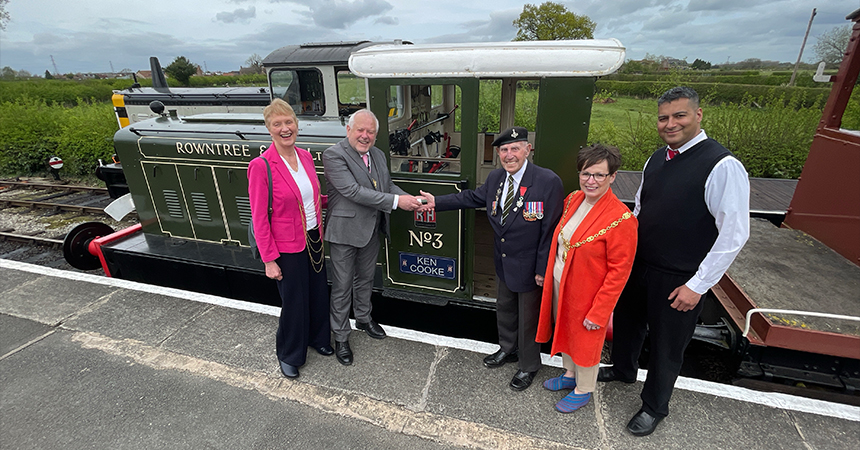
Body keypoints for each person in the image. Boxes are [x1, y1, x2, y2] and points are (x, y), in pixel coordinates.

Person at [599, 87, 750, 436]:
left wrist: (698, 286)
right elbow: (640, 210)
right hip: (640, 265)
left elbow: (734, 235)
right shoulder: (656, 159)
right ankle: (623, 370)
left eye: (679, 116)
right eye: (664, 117)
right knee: (627, 324)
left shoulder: (722, 165)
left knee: (667, 346)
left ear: (698, 115)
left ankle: (654, 406)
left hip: (679, 276)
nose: (670, 124)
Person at [420, 127, 564, 391]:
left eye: (514, 149)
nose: (509, 155)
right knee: (506, 309)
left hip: (531, 265)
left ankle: (528, 365)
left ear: (527, 150)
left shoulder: (547, 181)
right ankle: (508, 349)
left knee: (528, 318)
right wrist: (437, 202)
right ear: (498, 154)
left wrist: (542, 268)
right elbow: (473, 198)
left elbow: (550, 231)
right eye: (504, 150)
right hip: (503, 259)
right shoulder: (497, 177)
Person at [535, 144, 637, 412]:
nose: (590, 181)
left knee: (586, 340)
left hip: (589, 293)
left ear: (612, 177)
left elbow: (620, 271)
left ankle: (584, 388)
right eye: (585, 173)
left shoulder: (621, 219)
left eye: (599, 175)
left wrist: (600, 311)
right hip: (561, 283)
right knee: (565, 330)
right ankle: (569, 375)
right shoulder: (573, 199)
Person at [323, 109, 424, 366]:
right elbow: (353, 191)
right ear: (349, 130)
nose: (365, 136)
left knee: (366, 278)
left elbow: (387, 185)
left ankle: (364, 318)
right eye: (360, 130)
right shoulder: (334, 155)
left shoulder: (378, 155)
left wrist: (409, 199)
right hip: (345, 232)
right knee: (342, 286)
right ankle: (341, 336)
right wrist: (396, 202)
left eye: (370, 132)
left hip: (371, 227)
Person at [247, 98, 333, 379]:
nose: (285, 128)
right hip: (287, 246)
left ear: (297, 125)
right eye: (278, 124)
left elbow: (311, 198)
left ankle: (318, 339)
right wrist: (269, 259)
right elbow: (260, 218)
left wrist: (334, 201)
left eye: (289, 122)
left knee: (319, 294)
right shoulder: (261, 166)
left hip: (313, 238)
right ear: (269, 129)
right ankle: (289, 354)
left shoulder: (305, 156)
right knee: (294, 302)